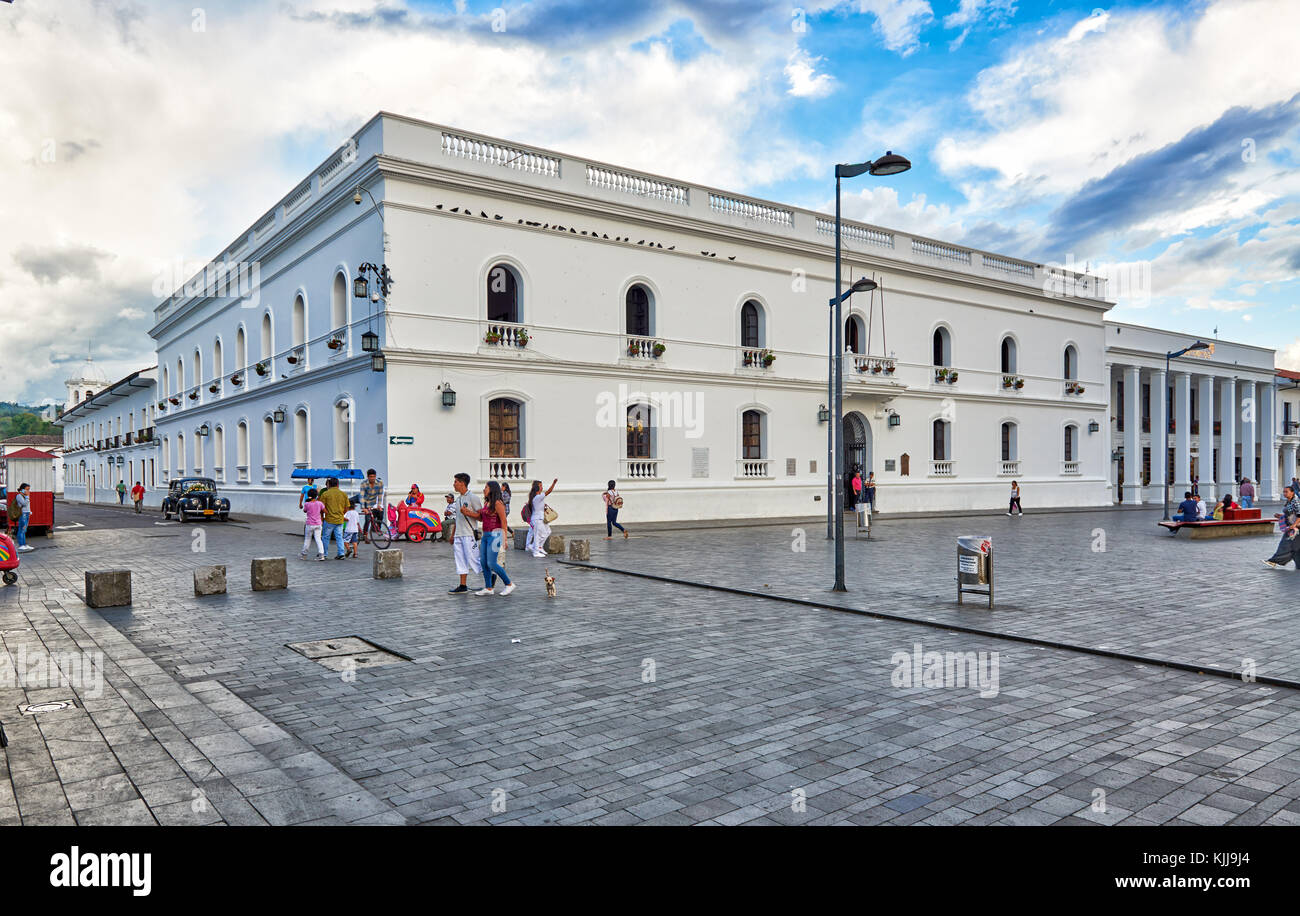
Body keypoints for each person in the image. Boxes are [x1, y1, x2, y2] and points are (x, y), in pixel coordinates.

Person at [475, 481, 515, 596]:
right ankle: (488, 588)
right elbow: (482, 518)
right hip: (486, 535)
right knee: (483, 562)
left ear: (492, 489)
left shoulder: (498, 503)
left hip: (496, 535)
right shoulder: (487, 502)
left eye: (486, 487)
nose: (484, 489)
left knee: (491, 563)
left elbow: (504, 521)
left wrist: (505, 539)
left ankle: (509, 584)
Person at [449, 473, 482, 594]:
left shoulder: (473, 498)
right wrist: (453, 535)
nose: (454, 484)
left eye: (455, 482)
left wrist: (468, 512)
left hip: (469, 534)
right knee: (460, 560)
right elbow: (457, 519)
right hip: (459, 534)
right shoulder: (458, 500)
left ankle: (489, 578)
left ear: (462, 483)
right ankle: (463, 585)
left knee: (473, 559)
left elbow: (481, 516)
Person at [1262, 485, 1300, 569]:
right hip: (1292, 527)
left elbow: (1299, 514)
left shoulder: (1295, 501)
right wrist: (1281, 516)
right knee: (1296, 548)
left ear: (1292, 492)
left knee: (1285, 544)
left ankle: (1273, 561)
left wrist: (1294, 525)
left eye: (1286, 492)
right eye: (1284, 492)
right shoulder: (1290, 501)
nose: (1284, 493)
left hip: (1295, 529)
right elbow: (1291, 514)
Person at [319, 477, 350, 559]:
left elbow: (322, 507)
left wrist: (324, 516)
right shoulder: (343, 494)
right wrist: (341, 514)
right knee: (339, 537)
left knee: (325, 537)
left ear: (329, 484)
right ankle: (341, 553)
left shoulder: (325, 494)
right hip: (339, 520)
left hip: (329, 519)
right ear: (338, 484)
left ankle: (324, 554)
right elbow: (347, 507)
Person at [528, 478, 557, 558]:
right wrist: (554, 483)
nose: (542, 487)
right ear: (537, 487)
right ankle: (535, 550)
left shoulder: (537, 497)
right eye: (540, 486)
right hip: (537, 519)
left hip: (541, 518)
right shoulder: (537, 497)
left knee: (548, 532)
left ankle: (538, 547)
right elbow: (549, 491)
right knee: (540, 535)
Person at [360, 468, 385, 543]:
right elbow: (361, 496)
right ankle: (365, 535)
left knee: (381, 513)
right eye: (370, 477)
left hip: (374, 502)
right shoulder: (363, 484)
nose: (372, 478)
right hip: (365, 501)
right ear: (368, 477)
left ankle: (377, 528)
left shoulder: (380, 483)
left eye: (373, 476)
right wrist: (363, 508)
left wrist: (379, 505)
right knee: (367, 520)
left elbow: (380, 495)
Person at [300, 488, 325, 560]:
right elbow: (324, 510)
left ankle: (304, 555)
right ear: (316, 495)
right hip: (318, 524)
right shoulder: (320, 503)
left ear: (309, 496)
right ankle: (321, 555)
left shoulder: (307, 504)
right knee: (318, 539)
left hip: (310, 524)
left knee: (307, 539)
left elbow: (305, 511)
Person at [13, 484, 32, 552]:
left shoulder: (24, 496)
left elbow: (27, 505)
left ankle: (24, 544)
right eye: (27, 489)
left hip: (26, 513)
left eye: (29, 489)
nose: (28, 491)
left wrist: (29, 512)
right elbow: (24, 504)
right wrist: (27, 497)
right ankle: (21, 545)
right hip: (23, 514)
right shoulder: (19, 496)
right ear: (22, 489)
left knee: (24, 530)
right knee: (22, 529)